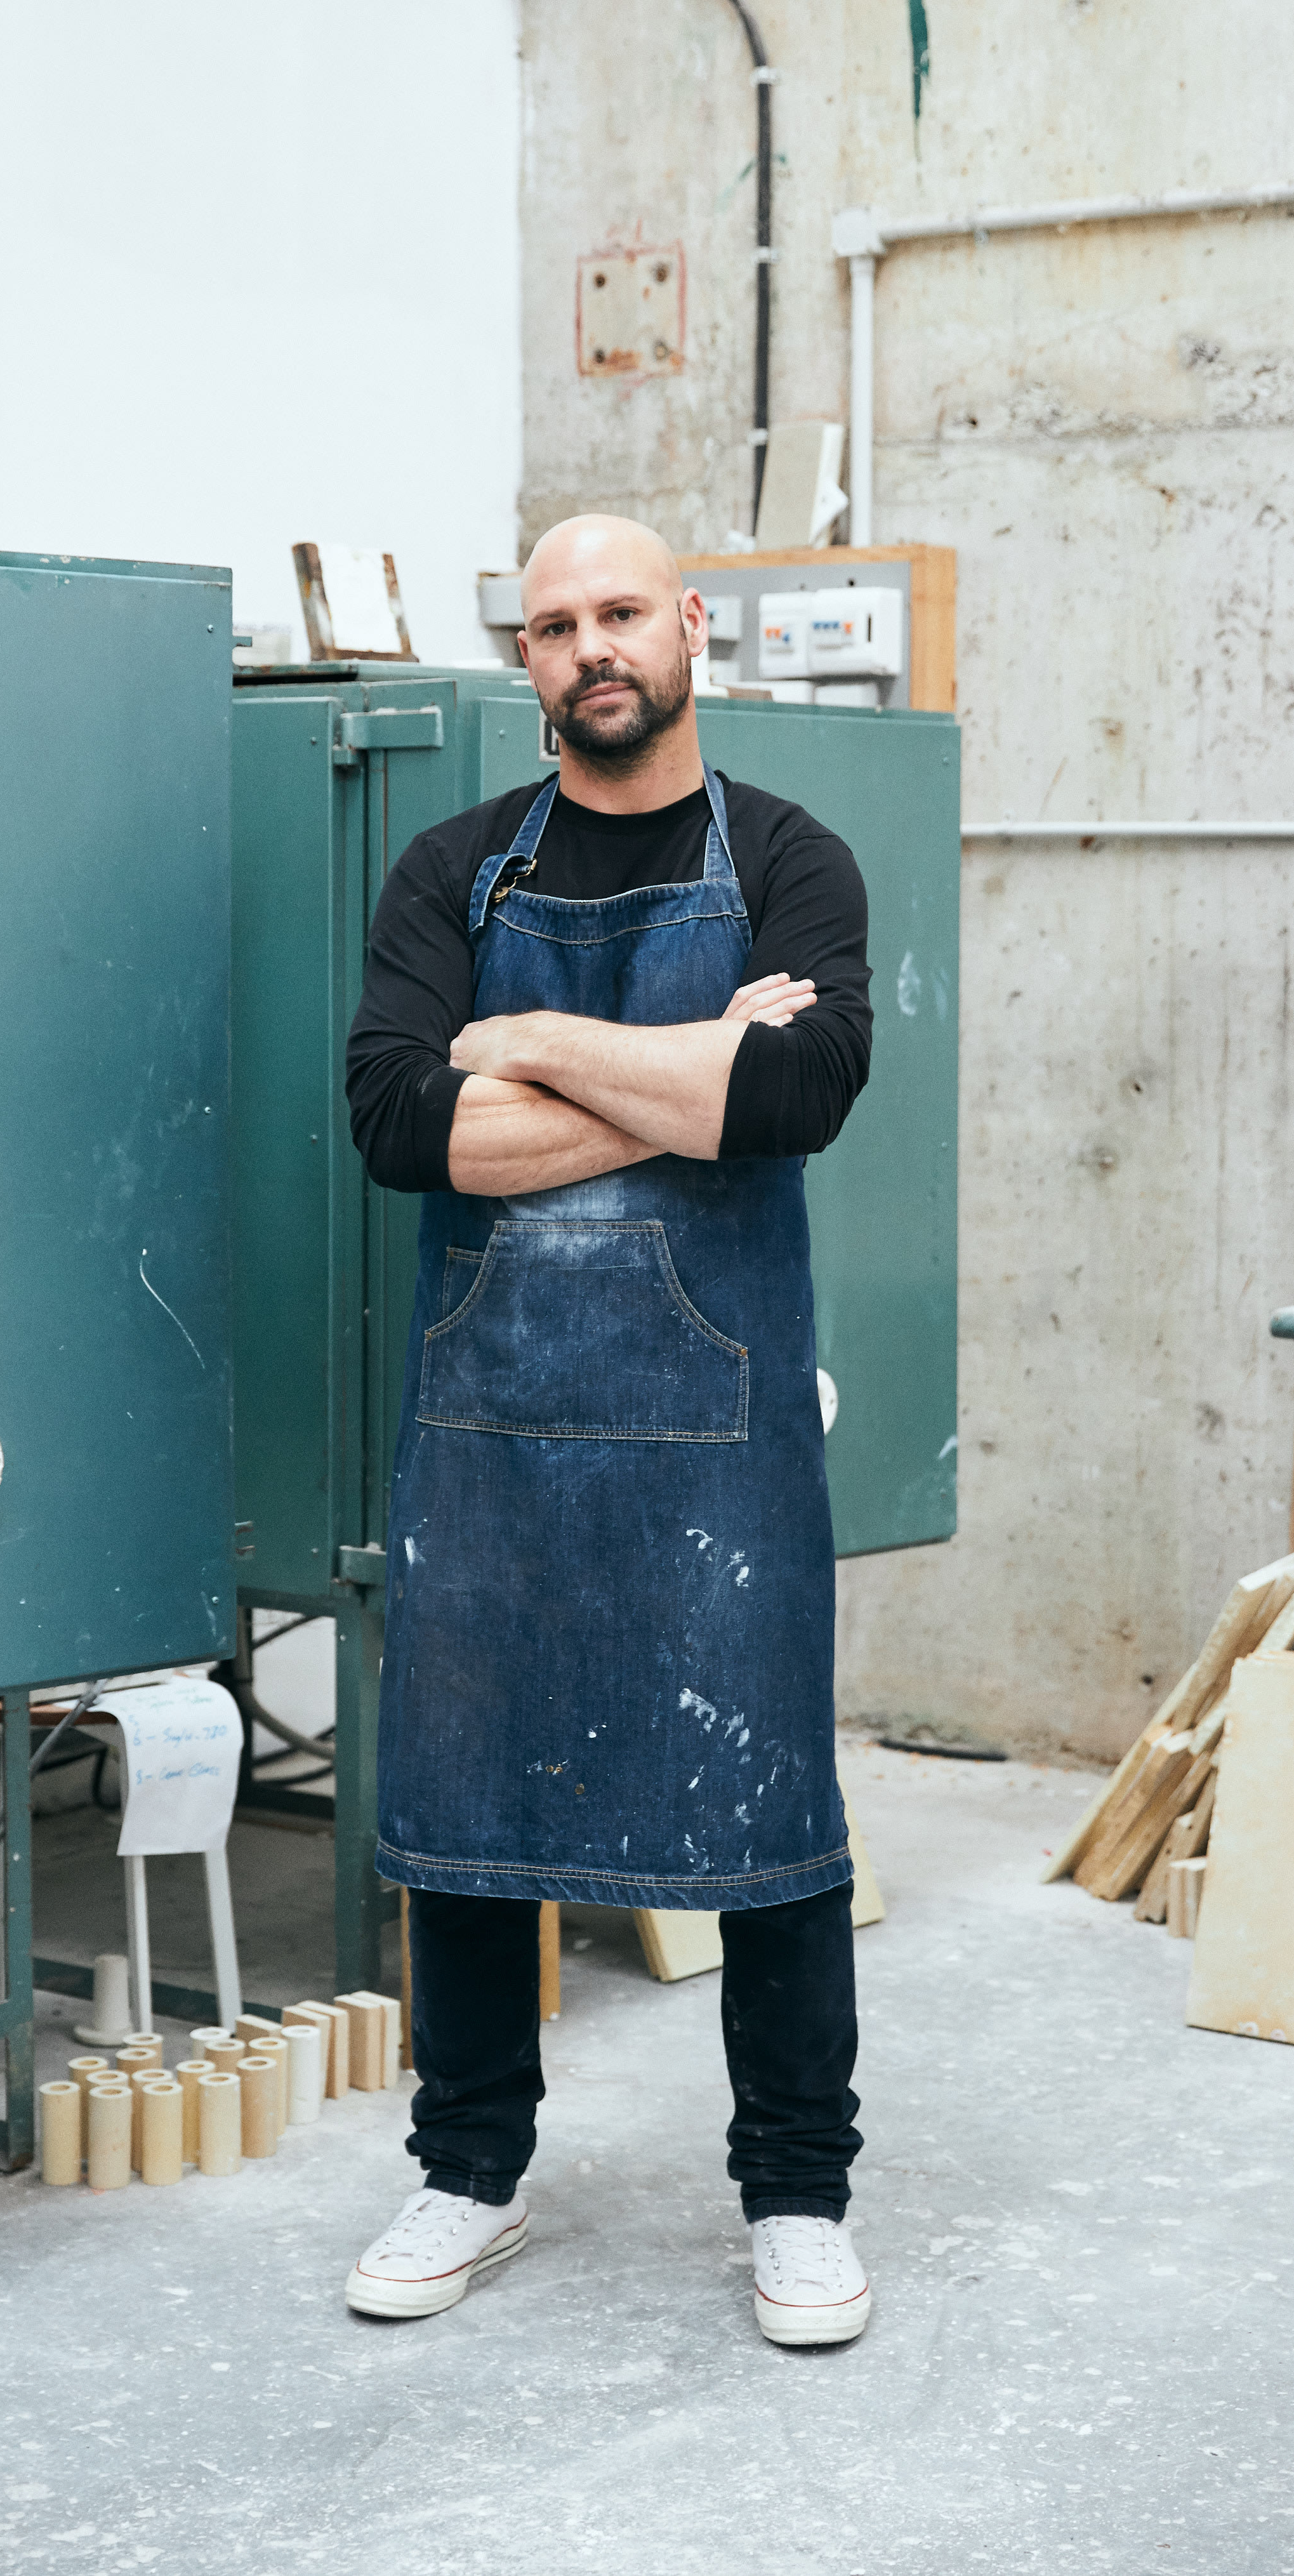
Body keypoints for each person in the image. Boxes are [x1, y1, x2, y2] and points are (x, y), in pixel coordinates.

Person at [341, 513, 875, 2345]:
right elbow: (406, 1126)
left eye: (622, 610)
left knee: (772, 1808)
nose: (593, 646)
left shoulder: (793, 856)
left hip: (717, 1420)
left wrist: (539, 1039)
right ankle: (466, 2169)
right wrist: (683, 1077)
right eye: (556, 622)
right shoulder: (448, 871)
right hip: (497, 1416)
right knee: (465, 1805)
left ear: (691, 627)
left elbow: (799, 1086)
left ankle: (799, 2193)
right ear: (529, 657)